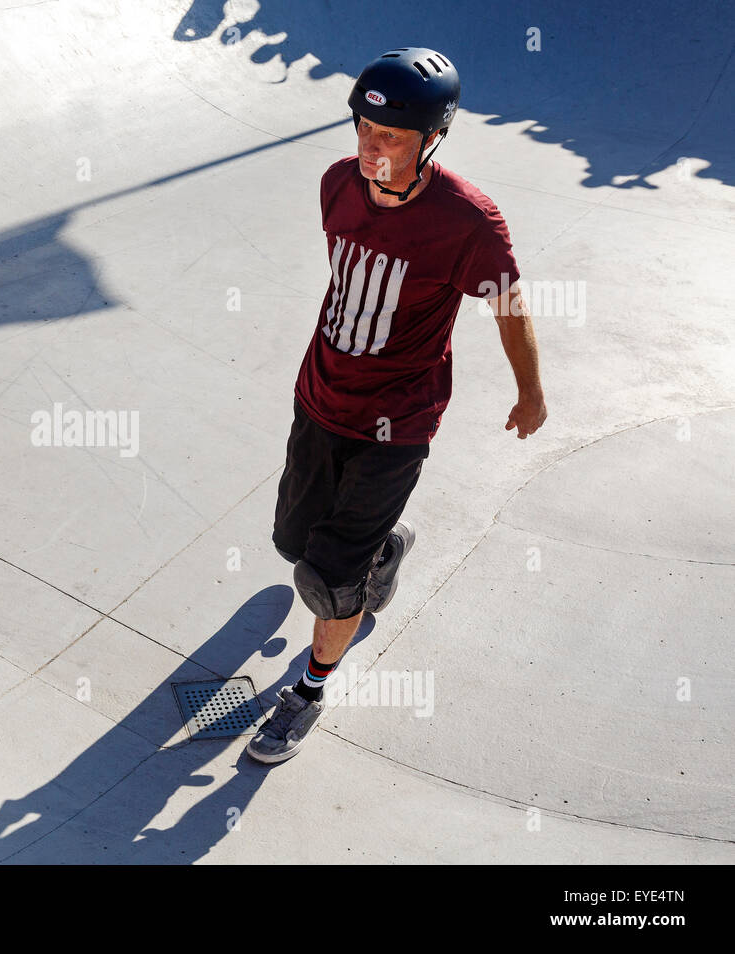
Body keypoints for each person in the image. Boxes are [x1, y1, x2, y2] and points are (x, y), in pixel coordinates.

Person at [247, 47, 547, 765]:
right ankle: (385, 547)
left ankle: (308, 694)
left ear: (432, 139)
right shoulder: (335, 185)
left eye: (391, 140)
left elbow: (509, 305)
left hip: (397, 424)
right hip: (318, 399)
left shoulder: (468, 222)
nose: (371, 151)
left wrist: (530, 390)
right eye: (363, 132)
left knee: (324, 580)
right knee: (294, 545)